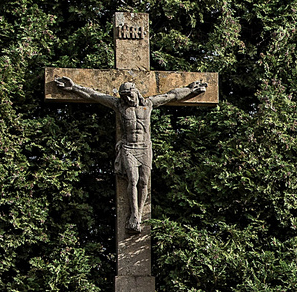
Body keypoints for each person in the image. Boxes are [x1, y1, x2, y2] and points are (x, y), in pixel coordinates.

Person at [52, 76, 208, 234]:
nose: (127, 98)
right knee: (133, 179)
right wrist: (74, 87)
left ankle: (139, 215)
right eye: (124, 96)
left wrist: (190, 90)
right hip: (129, 147)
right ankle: (134, 215)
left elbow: (172, 95)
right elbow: (94, 94)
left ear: (136, 92)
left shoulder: (148, 104)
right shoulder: (119, 106)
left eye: (129, 94)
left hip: (144, 147)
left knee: (144, 182)